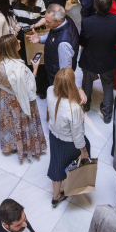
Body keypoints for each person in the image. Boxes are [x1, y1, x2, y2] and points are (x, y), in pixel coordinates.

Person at [0, 34, 47, 160]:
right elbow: (29, 88)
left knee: (9, 121)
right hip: (19, 98)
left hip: (5, 96)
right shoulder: (18, 68)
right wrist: (35, 70)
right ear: (12, 49)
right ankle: (26, 147)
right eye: (16, 41)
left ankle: (11, 144)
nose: (19, 41)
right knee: (22, 122)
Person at [78, 0, 116, 118]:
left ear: (95, 6)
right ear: (110, 5)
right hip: (108, 58)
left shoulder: (87, 22)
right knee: (108, 85)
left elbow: (82, 41)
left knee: (87, 82)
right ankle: (107, 113)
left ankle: (85, 105)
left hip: (90, 58)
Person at [48, 68, 90, 206]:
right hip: (69, 143)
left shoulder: (49, 91)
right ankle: (75, 185)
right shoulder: (74, 108)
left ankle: (56, 197)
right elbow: (78, 136)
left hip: (54, 136)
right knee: (78, 159)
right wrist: (84, 152)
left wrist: (80, 90)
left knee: (56, 164)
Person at [28, 4, 79, 100]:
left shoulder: (64, 44)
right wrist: (40, 38)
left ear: (59, 21)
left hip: (57, 77)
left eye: (48, 21)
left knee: (57, 98)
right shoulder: (65, 20)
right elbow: (54, 35)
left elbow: (65, 71)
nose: (46, 24)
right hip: (52, 70)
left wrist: (61, 86)